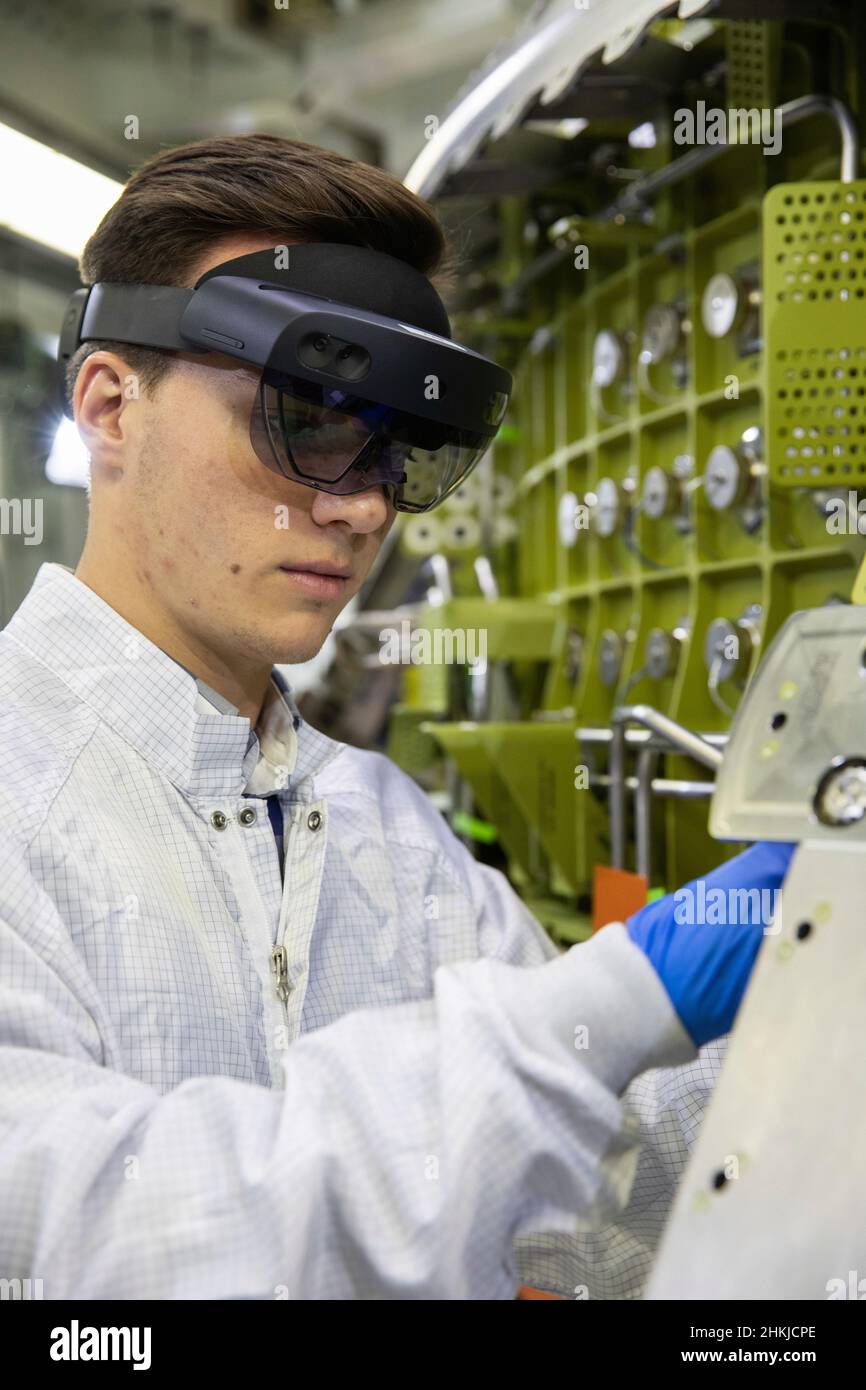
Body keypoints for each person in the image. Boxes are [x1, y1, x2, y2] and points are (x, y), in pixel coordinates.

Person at [0, 134, 794, 1299]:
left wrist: (814, 983)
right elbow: (89, 1245)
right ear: (112, 407)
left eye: (397, 446)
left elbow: (604, 1176)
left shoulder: (387, 832)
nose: (364, 503)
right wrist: (630, 987)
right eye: (310, 422)